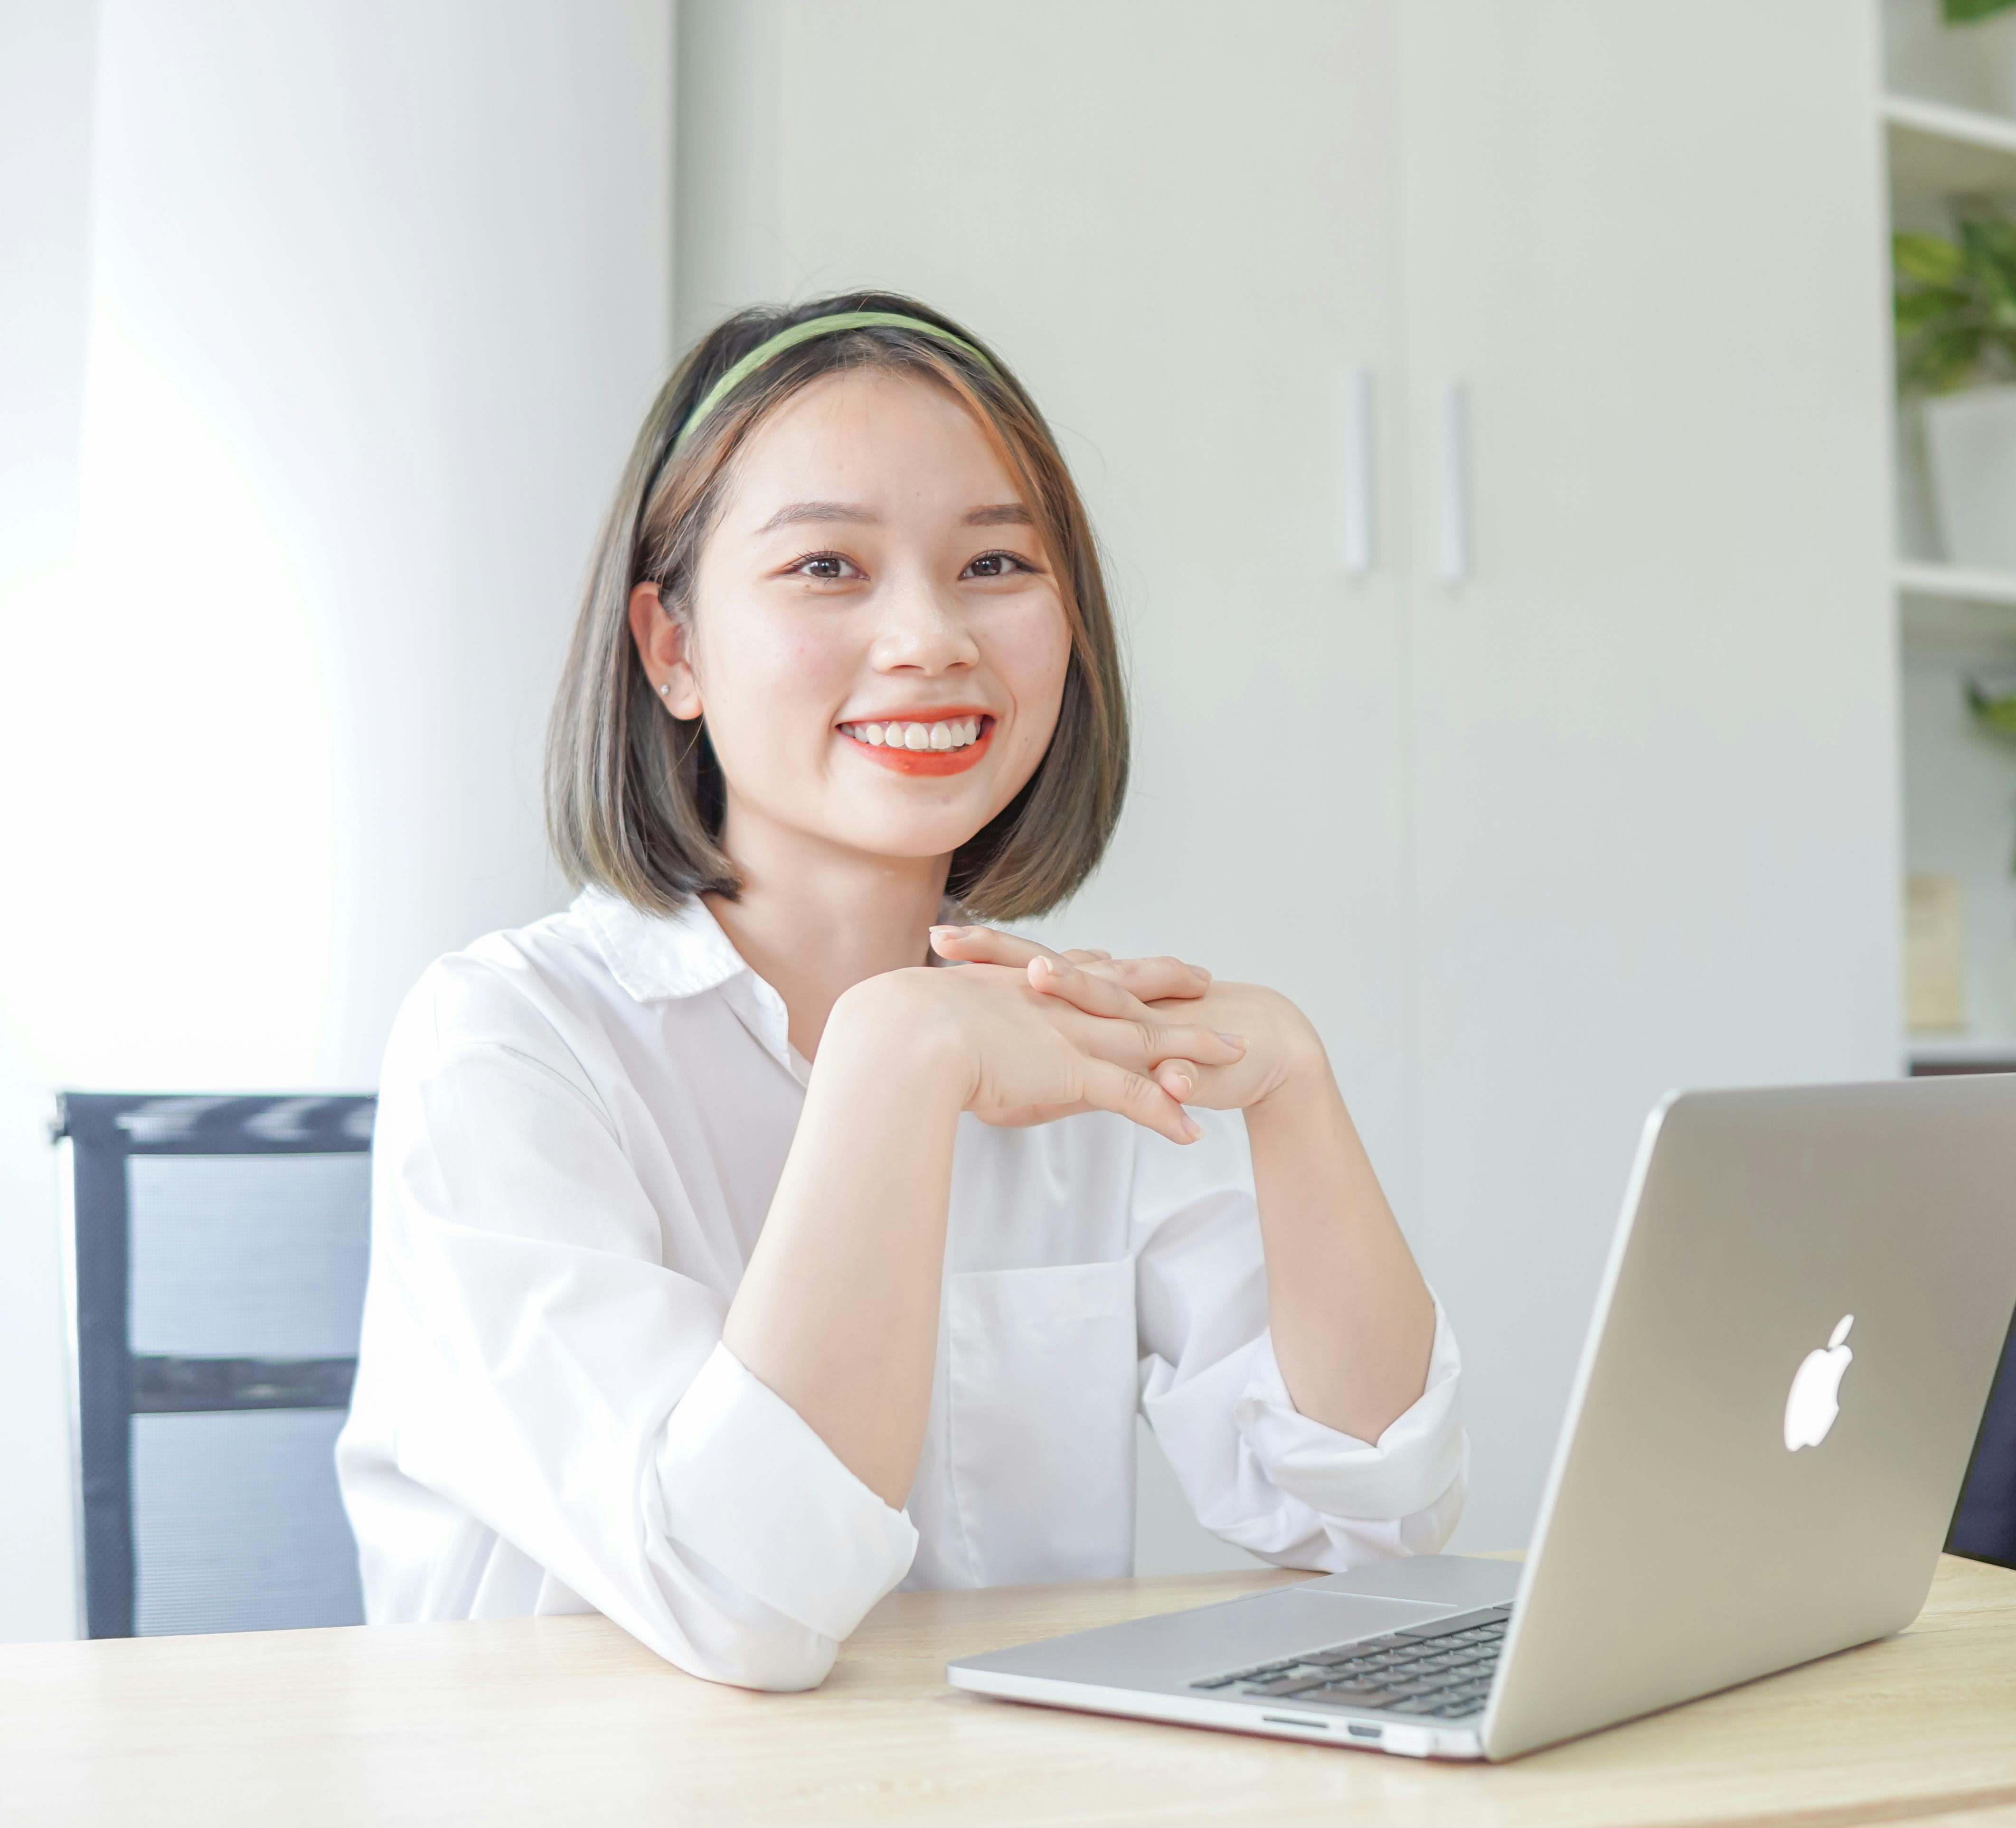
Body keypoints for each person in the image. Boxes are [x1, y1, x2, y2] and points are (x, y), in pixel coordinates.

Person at [335, 294, 1465, 1690]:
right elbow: (747, 1600)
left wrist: (1295, 1088)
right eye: (827, 565)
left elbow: (1376, 1517)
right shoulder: (506, 1044)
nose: (931, 635)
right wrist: (892, 1061)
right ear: (672, 648)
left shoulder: (1058, 1028)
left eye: (994, 560)